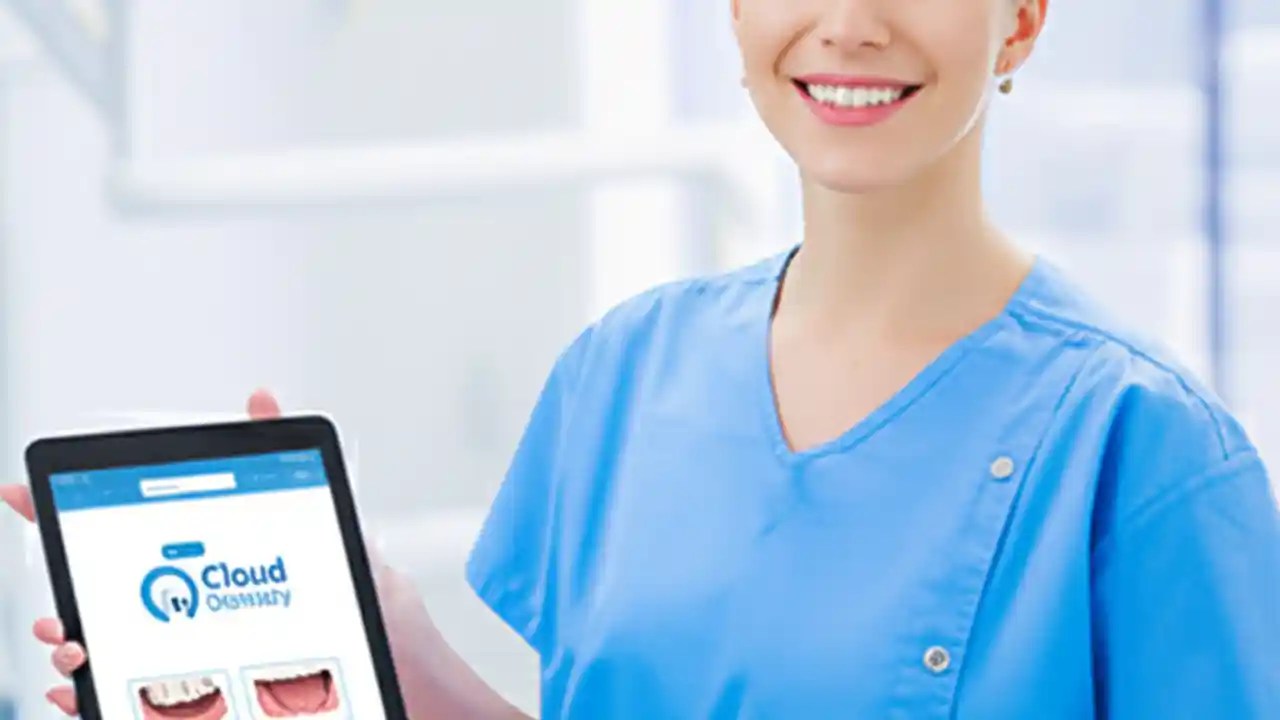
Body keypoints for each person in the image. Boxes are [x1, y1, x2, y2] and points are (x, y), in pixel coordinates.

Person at [4, 0, 1280, 717]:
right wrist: (394, 652)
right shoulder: (623, 373)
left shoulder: (1141, 450)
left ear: (1019, 20)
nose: (846, 24)